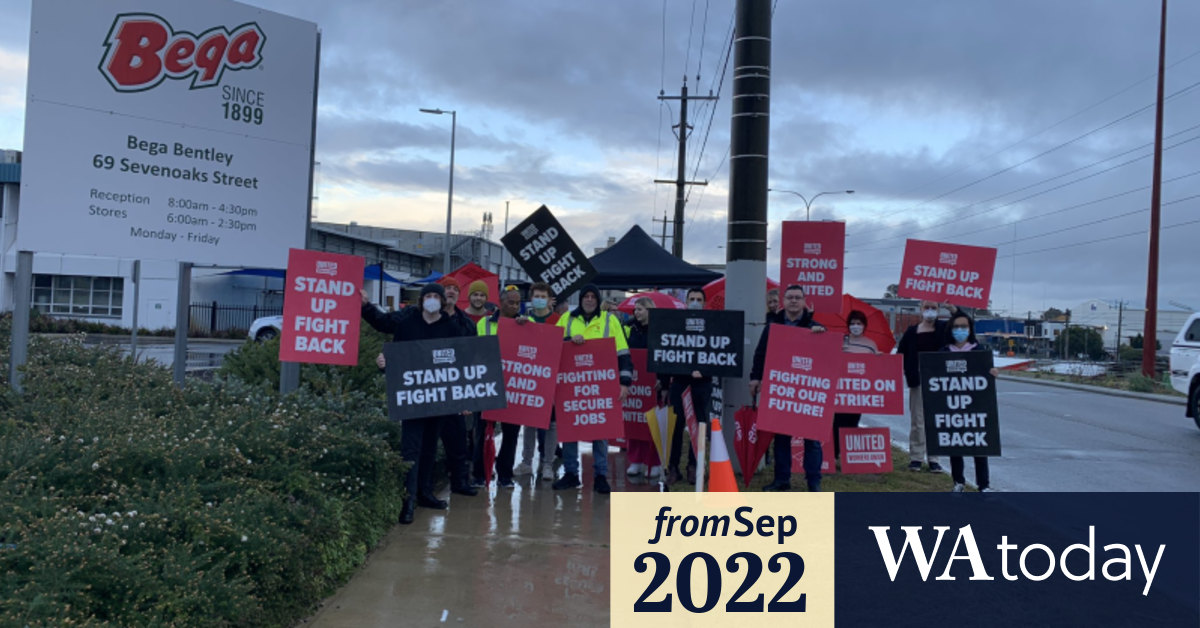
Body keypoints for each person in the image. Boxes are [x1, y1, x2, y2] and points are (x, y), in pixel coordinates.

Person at [361, 283, 474, 525]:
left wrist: (464, 398)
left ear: (442, 301)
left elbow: (461, 362)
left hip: (438, 399)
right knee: (410, 450)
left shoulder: (452, 327)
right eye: (428, 296)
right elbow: (391, 346)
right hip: (412, 399)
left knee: (429, 448)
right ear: (421, 300)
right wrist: (384, 362)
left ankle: (424, 493)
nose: (432, 299)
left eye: (436, 296)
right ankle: (408, 501)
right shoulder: (407, 323)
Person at [554, 284, 633, 494]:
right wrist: (568, 340)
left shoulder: (610, 320)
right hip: (571, 384)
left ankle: (600, 476)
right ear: (580, 299)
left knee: (600, 430)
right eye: (586, 296)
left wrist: (625, 382)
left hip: (601, 384)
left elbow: (623, 353)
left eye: (593, 297)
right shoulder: (566, 319)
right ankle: (571, 473)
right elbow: (552, 346)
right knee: (570, 429)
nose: (589, 299)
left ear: (598, 300)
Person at [749, 285, 827, 492]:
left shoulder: (815, 327)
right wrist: (755, 378)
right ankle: (782, 480)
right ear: (783, 301)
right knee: (782, 438)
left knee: (811, 439)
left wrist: (822, 335)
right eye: (790, 297)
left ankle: (814, 482)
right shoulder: (772, 326)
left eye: (797, 298)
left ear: (804, 301)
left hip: (807, 392)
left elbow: (826, 357)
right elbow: (760, 354)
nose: (793, 301)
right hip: (782, 390)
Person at [896, 300, 962, 473]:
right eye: (927, 307)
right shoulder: (911, 332)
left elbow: (962, 325)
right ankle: (916, 457)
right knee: (917, 421)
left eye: (934, 308)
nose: (930, 310)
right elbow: (900, 354)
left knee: (936, 420)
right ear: (921, 309)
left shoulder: (944, 329)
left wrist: (953, 309)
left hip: (939, 381)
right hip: (917, 379)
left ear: (938, 310)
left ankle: (934, 459)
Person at [476, 285, 529, 488]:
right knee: (482, 432)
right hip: (488, 384)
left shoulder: (527, 324)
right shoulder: (484, 323)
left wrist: (526, 327)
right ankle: (480, 474)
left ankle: (505, 475)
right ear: (500, 302)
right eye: (510, 302)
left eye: (517, 303)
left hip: (514, 387)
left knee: (511, 434)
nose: (514, 306)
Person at [941, 311, 997, 492]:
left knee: (978, 444)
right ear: (951, 329)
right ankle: (958, 481)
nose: (960, 330)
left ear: (970, 329)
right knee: (955, 444)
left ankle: (983, 484)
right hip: (952, 405)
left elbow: (986, 376)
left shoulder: (979, 351)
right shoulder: (944, 352)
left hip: (975, 407)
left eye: (964, 327)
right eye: (956, 327)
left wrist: (992, 373)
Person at [667, 287, 714, 485]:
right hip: (679, 383)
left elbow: (720, 352)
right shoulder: (676, 323)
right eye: (692, 299)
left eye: (699, 299)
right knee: (676, 427)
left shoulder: (712, 325)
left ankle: (694, 467)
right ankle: (673, 467)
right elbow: (666, 349)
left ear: (704, 302)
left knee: (700, 426)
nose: (695, 302)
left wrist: (705, 370)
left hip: (702, 384)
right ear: (686, 302)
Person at [515, 282, 560, 481]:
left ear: (550, 300)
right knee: (529, 422)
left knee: (551, 424)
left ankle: (548, 463)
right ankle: (526, 462)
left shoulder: (559, 320)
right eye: (536, 296)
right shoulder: (525, 320)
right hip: (531, 377)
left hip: (552, 379)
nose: (539, 299)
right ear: (531, 298)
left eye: (543, 296)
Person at [623, 296, 666, 480]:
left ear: (649, 311)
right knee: (635, 421)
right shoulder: (629, 328)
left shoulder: (660, 330)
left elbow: (665, 356)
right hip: (635, 383)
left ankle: (654, 462)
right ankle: (636, 460)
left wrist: (663, 380)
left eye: (640, 309)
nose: (636, 312)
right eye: (635, 309)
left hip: (653, 385)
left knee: (653, 424)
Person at [833, 310, 879, 461]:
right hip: (840, 389)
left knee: (852, 421)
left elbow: (876, 367)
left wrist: (880, 359)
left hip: (859, 390)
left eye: (859, 323)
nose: (855, 326)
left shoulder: (871, 344)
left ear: (864, 325)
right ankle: (834, 453)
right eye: (852, 323)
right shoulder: (841, 340)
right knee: (837, 421)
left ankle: (847, 454)